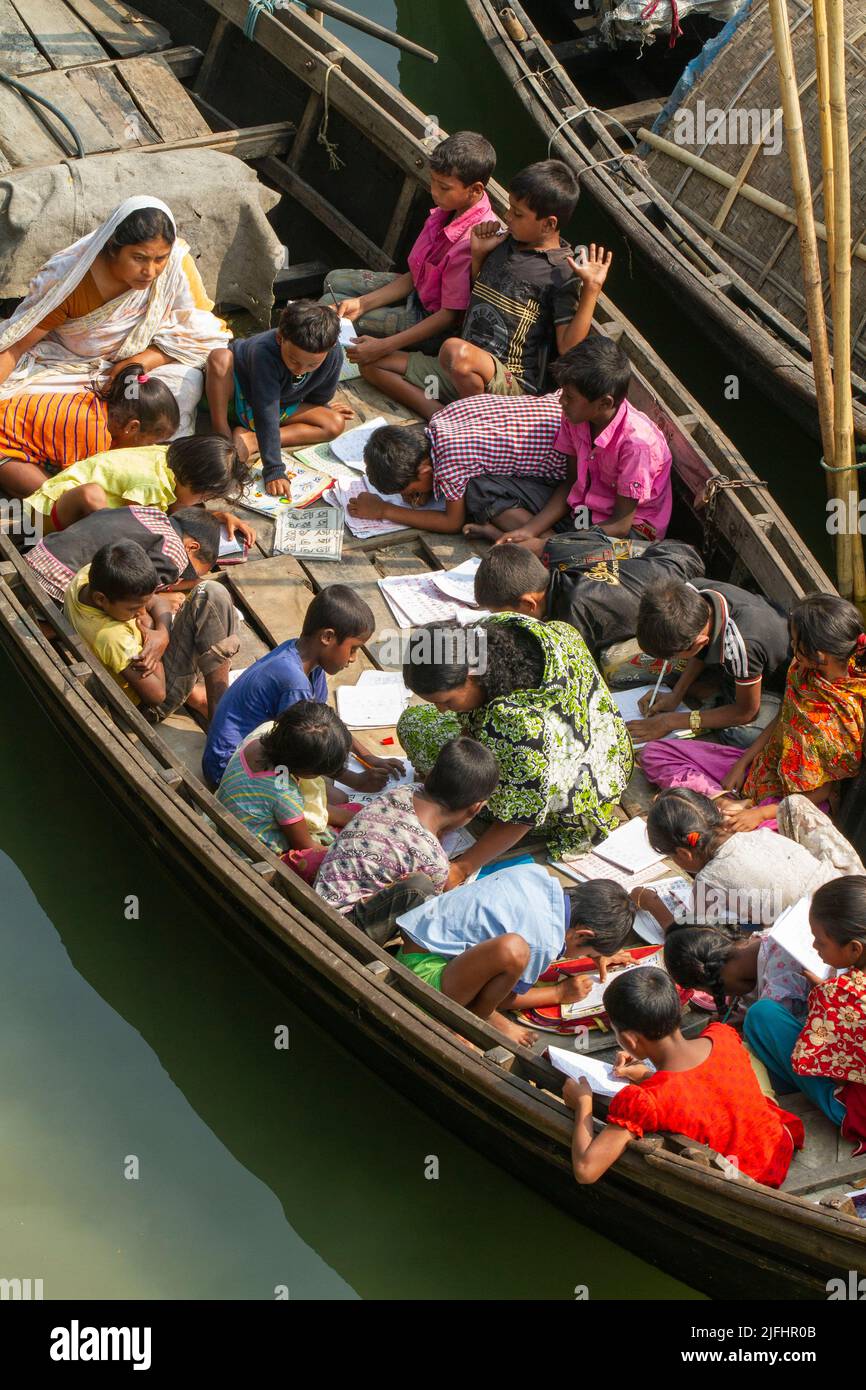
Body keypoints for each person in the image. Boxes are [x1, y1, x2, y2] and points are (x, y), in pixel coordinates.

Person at [362, 160, 611, 419]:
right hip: (459, 371)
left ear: (548, 224)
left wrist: (591, 289)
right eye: (510, 208)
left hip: (509, 386)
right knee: (370, 365)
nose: (507, 217)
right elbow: (474, 299)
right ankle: (440, 414)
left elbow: (568, 349)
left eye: (518, 213)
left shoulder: (561, 272)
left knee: (455, 351)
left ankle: (474, 420)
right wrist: (479, 256)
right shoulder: (503, 244)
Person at [396, 613, 633, 872]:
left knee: (421, 730)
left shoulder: (515, 724)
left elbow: (523, 816)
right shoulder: (502, 631)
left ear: (472, 677)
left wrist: (461, 868)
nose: (442, 711)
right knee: (416, 722)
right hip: (608, 757)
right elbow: (467, 726)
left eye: (447, 701)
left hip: (576, 805)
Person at [0, 198, 230, 434]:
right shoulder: (67, 279)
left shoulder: (176, 265)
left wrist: (137, 363)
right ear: (112, 246)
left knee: (184, 385)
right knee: (25, 408)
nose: (150, 271)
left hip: (136, 373)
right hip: (67, 370)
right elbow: (15, 346)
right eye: (139, 258)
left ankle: (157, 456)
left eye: (160, 259)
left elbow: (201, 331)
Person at [642, 592, 866, 834]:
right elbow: (783, 718)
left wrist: (759, 813)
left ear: (819, 656)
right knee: (654, 753)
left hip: (793, 804)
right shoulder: (804, 671)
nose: (791, 648)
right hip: (762, 768)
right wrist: (743, 762)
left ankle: (723, 809)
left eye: (795, 644)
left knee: (735, 834)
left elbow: (820, 792)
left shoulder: (839, 718)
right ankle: (721, 802)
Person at [562, 966, 804, 1186]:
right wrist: (648, 1076)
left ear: (629, 1040)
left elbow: (586, 1170)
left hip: (744, 1181)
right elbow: (700, 1086)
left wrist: (583, 1103)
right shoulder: (722, 1037)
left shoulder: (646, 1102)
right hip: (776, 1147)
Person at [394, 864, 637, 1046]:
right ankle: (477, 1018)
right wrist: (559, 993)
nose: (578, 957)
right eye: (587, 952)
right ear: (583, 934)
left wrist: (594, 951)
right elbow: (504, 997)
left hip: (418, 938)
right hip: (425, 978)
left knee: (514, 950)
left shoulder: (536, 875)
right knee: (514, 952)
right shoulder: (542, 942)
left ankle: (486, 1014)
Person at [466, 337, 672, 548]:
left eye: (570, 397)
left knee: (600, 563)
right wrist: (529, 530)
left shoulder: (638, 445)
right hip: (582, 512)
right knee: (481, 487)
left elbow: (620, 525)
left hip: (626, 533)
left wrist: (558, 543)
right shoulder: (576, 417)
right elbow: (572, 483)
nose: (561, 401)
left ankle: (543, 548)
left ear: (604, 403)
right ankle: (538, 545)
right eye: (563, 392)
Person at [201, 584, 403, 792]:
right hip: (228, 771)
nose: (353, 658)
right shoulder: (294, 682)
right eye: (353, 649)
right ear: (327, 637)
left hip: (251, 753)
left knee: (328, 795)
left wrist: (369, 757)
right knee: (331, 802)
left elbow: (325, 724)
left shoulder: (306, 659)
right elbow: (307, 748)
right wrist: (356, 781)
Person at [325, 130, 496, 359]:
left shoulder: (471, 239)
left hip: (433, 322)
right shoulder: (445, 212)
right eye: (433, 181)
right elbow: (415, 277)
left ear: (475, 190)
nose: (434, 192)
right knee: (333, 282)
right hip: (417, 291)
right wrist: (363, 304)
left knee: (330, 307)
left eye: (444, 187)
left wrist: (384, 346)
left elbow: (449, 316)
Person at [315, 736, 499, 940]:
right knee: (422, 888)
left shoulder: (401, 792)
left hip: (316, 903)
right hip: (340, 933)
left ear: (428, 777)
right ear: (476, 808)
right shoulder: (434, 862)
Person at [744, 876, 866, 1152]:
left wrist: (823, 1001)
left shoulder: (838, 996)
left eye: (821, 943)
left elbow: (809, 1062)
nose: (814, 947)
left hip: (857, 1112)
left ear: (854, 949)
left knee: (762, 1016)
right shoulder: (842, 993)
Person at [64, 539, 238, 723]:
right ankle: (218, 715)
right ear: (101, 599)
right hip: (148, 706)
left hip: (141, 668)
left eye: (141, 606)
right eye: (133, 609)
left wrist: (162, 634)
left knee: (209, 601)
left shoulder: (87, 577)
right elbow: (157, 696)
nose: (141, 611)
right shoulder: (112, 637)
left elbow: (154, 601)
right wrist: (152, 634)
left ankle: (199, 694)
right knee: (212, 597)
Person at [347, 393, 567, 534]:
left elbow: (452, 522)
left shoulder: (450, 463)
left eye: (410, 491)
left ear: (425, 471)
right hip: (558, 411)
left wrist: (385, 510)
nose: (409, 497)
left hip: (568, 471)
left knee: (476, 493)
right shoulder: (442, 418)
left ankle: (544, 538)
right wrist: (423, 488)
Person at [642, 788, 860, 928]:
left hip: (816, 932)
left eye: (672, 857)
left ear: (683, 853)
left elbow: (694, 937)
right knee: (793, 804)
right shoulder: (760, 834)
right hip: (850, 894)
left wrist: (651, 903)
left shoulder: (708, 880)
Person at [205, 300, 352, 497]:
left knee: (334, 423)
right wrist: (274, 469)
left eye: (311, 365)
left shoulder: (333, 354)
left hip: (278, 405)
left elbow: (319, 397)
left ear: (331, 346)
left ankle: (253, 440)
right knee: (220, 358)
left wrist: (323, 408)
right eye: (293, 360)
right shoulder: (263, 351)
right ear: (280, 338)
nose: (299, 369)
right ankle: (222, 436)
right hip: (239, 395)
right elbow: (266, 410)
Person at [472, 534, 704, 658]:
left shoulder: (570, 615)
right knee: (596, 549)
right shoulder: (559, 566)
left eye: (501, 615)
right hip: (674, 551)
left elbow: (577, 666)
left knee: (609, 663)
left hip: (689, 595)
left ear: (528, 603)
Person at [628, 576, 791, 748]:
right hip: (738, 665)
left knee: (739, 735)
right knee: (643, 669)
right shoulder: (692, 591)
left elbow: (746, 712)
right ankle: (713, 691)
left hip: (770, 683)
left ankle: (715, 693)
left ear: (699, 643)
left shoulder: (740, 646)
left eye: (674, 655)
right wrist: (676, 694)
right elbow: (701, 649)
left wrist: (670, 722)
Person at [216, 700, 352, 882]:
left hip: (230, 827)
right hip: (252, 860)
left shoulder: (260, 737)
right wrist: (352, 849)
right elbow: (305, 845)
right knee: (324, 860)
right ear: (304, 770)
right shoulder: (284, 793)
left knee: (354, 813)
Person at [0, 364, 179, 500]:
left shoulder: (98, 405)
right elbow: (82, 480)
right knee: (59, 495)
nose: (149, 448)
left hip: (19, 441)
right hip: (5, 450)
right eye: (149, 443)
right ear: (132, 427)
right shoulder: (93, 434)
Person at [25, 435, 253, 541]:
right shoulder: (151, 484)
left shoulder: (168, 459)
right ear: (192, 480)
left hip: (56, 506)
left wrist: (216, 516)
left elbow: (176, 504)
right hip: (45, 521)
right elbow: (134, 529)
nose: (202, 500)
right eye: (204, 495)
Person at [26, 504, 220, 602]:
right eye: (190, 571)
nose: (181, 577)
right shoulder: (175, 552)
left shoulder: (146, 513)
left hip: (37, 557)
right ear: (192, 547)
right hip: (56, 585)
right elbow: (131, 596)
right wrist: (162, 600)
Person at [662, 923, 811, 1021]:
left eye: (711, 990)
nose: (719, 995)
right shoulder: (760, 940)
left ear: (712, 971)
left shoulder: (778, 981)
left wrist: (747, 1025)